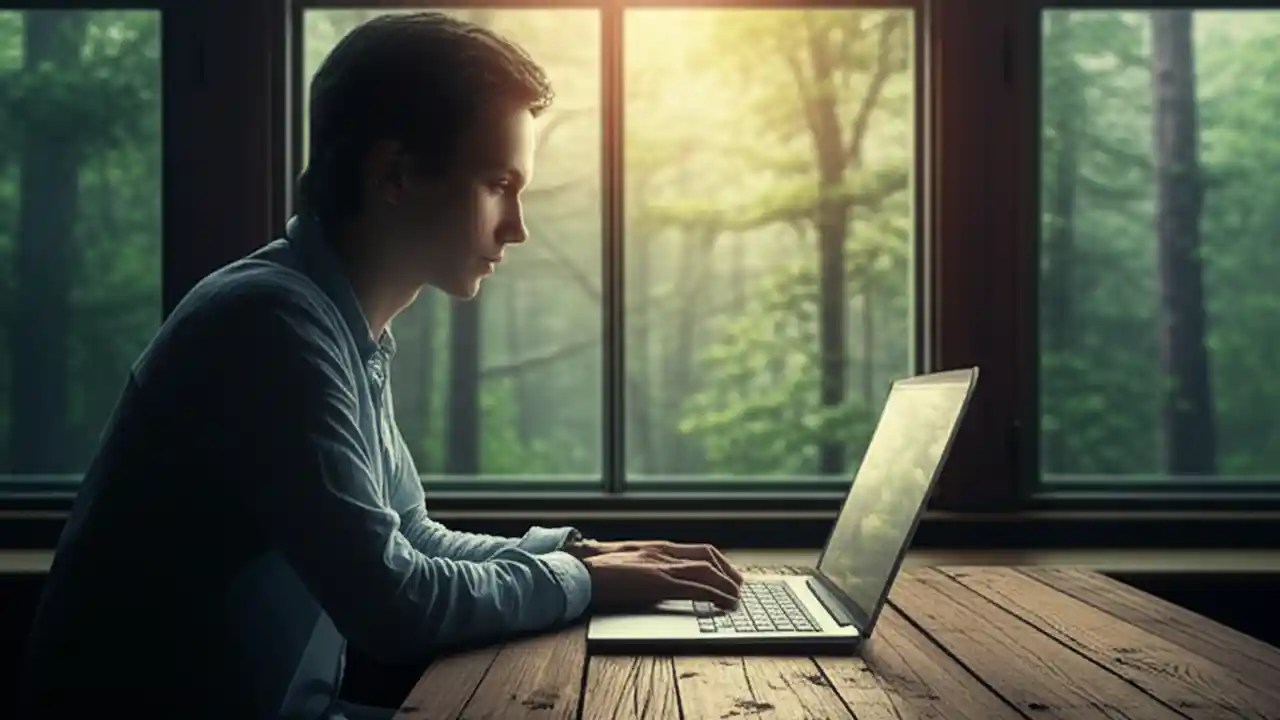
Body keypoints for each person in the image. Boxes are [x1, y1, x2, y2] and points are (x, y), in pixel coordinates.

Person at [17, 12, 743, 720]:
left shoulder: (335, 325)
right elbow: (394, 605)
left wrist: (580, 552)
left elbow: (410, 539)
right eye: (499, 184)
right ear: (394, 174)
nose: (518, 228)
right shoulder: (268, 329)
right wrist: (581, 580)